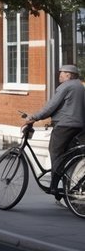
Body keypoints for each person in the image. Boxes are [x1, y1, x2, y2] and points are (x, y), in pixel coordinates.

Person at [23, 63, 85, 199]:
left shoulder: (66, 86)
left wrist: (34, 117)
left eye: (62, 73)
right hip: (79, 127)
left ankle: (54, 186)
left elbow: (50, 106)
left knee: (56, 153)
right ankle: (69, 186)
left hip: (64, 126)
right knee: (70, 157)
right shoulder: (80, 86)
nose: (59, 75)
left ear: (69, 75)